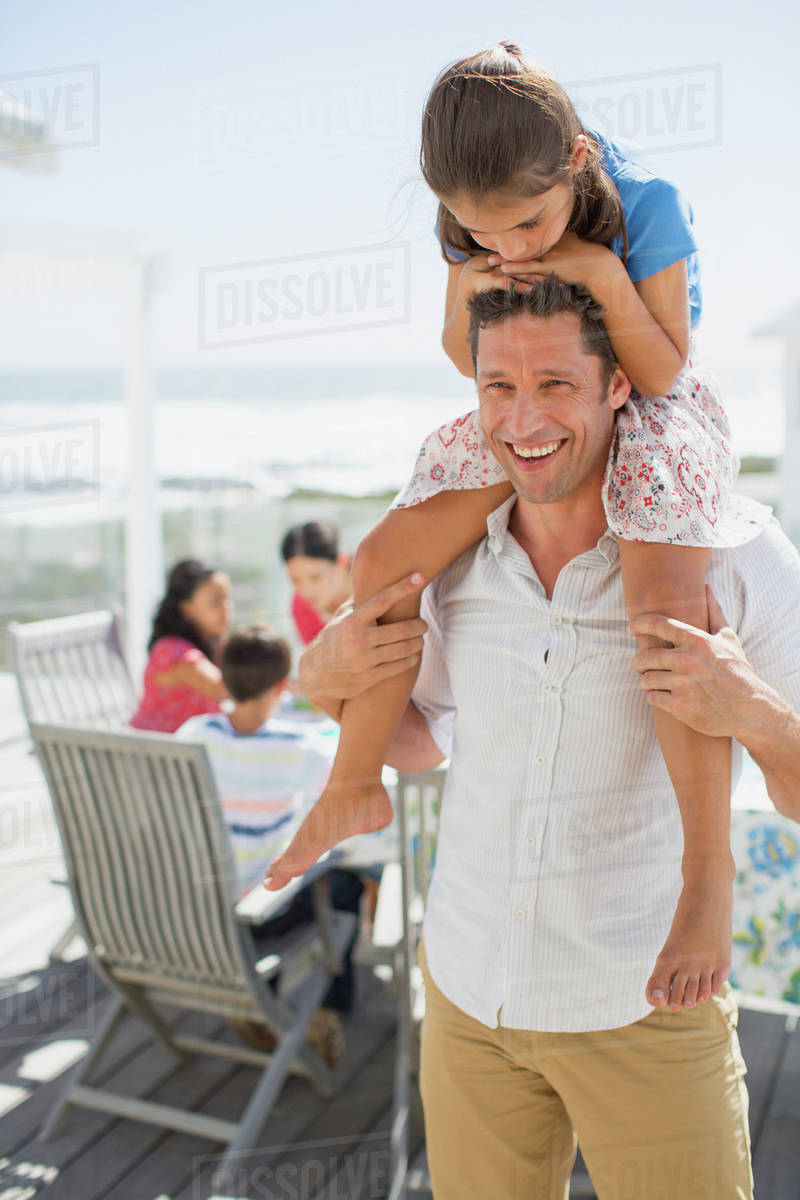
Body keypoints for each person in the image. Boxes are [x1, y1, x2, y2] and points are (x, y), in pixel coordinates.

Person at [265, 42, 758, 1011]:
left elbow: (660, 369)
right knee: (380, 560)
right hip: (539, 402)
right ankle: (353, 780)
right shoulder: (474, 222)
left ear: (575, 159)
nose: (518, 248)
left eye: (532, 224)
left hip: (645, 407)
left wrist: (589, 269)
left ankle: (704, 877)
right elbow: (462, 352)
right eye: (486, 231)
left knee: (662, 607)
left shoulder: (646, 201)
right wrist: (472, 271)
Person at [294, 280, 800, 1197]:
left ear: (618, 386)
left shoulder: (735, 556)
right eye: (498, 388)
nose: (522, 421)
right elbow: (420, 742)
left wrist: (754, 711)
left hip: (646, 1003)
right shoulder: (450, 561)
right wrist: (321, 687)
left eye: (557, 384)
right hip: (466, 993)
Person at [177, 626, 363, 1064]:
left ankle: (265, 1003)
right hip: (252, 916)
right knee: (346, 881)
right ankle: (325, 1010)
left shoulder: (192, 735)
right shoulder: (297, 748)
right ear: (283, 686)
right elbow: (347, 784)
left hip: (194, 910)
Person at [129, 559, 231, 733]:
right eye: (215, 601)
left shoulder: (215, 643)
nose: (226, 608)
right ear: (186, 608)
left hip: (188, 752)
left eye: (227, 598)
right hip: (153, 754)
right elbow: (227, 688)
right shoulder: (172, 652)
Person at [280, 521, 352, 646]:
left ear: (341, 561)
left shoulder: (374, 589)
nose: (306, 592)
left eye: (315, 577)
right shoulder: (300, 605)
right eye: (295, 580)